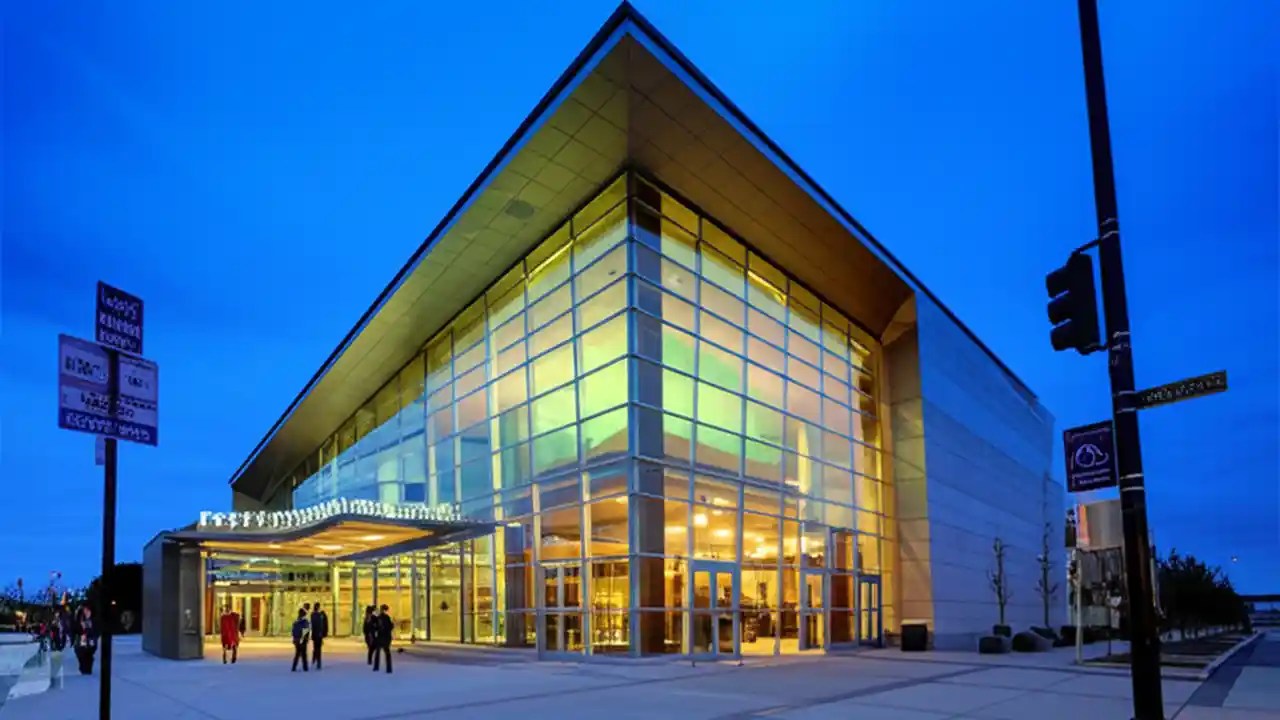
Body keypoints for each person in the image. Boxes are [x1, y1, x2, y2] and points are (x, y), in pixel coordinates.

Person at [71, 605, 98, 675]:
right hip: (82, 639)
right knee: (82, 653)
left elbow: (94, 630)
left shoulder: (92, 620)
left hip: (89, 639)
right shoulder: (79, 618)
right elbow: (76, 628)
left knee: (88, 652)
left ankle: (87, 668)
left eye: (87, 610)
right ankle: (84, 667)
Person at [372, 604, 393, 674]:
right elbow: (391, 626)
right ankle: (389, 668)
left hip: (380, 636)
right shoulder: (387, 618)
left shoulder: (379, 618)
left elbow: (375, 627)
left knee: (378, 652)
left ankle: (376, 667)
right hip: (386, 637)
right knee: (387, 652)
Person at [309, 602, 328, 670]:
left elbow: (312, 625)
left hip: (315, 634)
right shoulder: (320, 615)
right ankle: (318, 662)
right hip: (319, 634)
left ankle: (314, 660)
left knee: (315, 648)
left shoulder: (313, 615)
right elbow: (321, 625)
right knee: (318, 649)